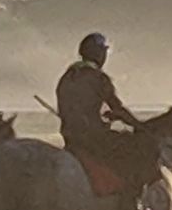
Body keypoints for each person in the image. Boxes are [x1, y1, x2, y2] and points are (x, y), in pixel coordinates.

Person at [56, 32, 157, 193]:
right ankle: (132, 199)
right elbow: (118, 108)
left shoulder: (67, 77)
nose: (105, 57)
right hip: (94, 138)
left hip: (69, 137)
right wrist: (141, 126)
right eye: (104, 52)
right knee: (139, 150)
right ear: (97, 53)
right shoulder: (99, 78)